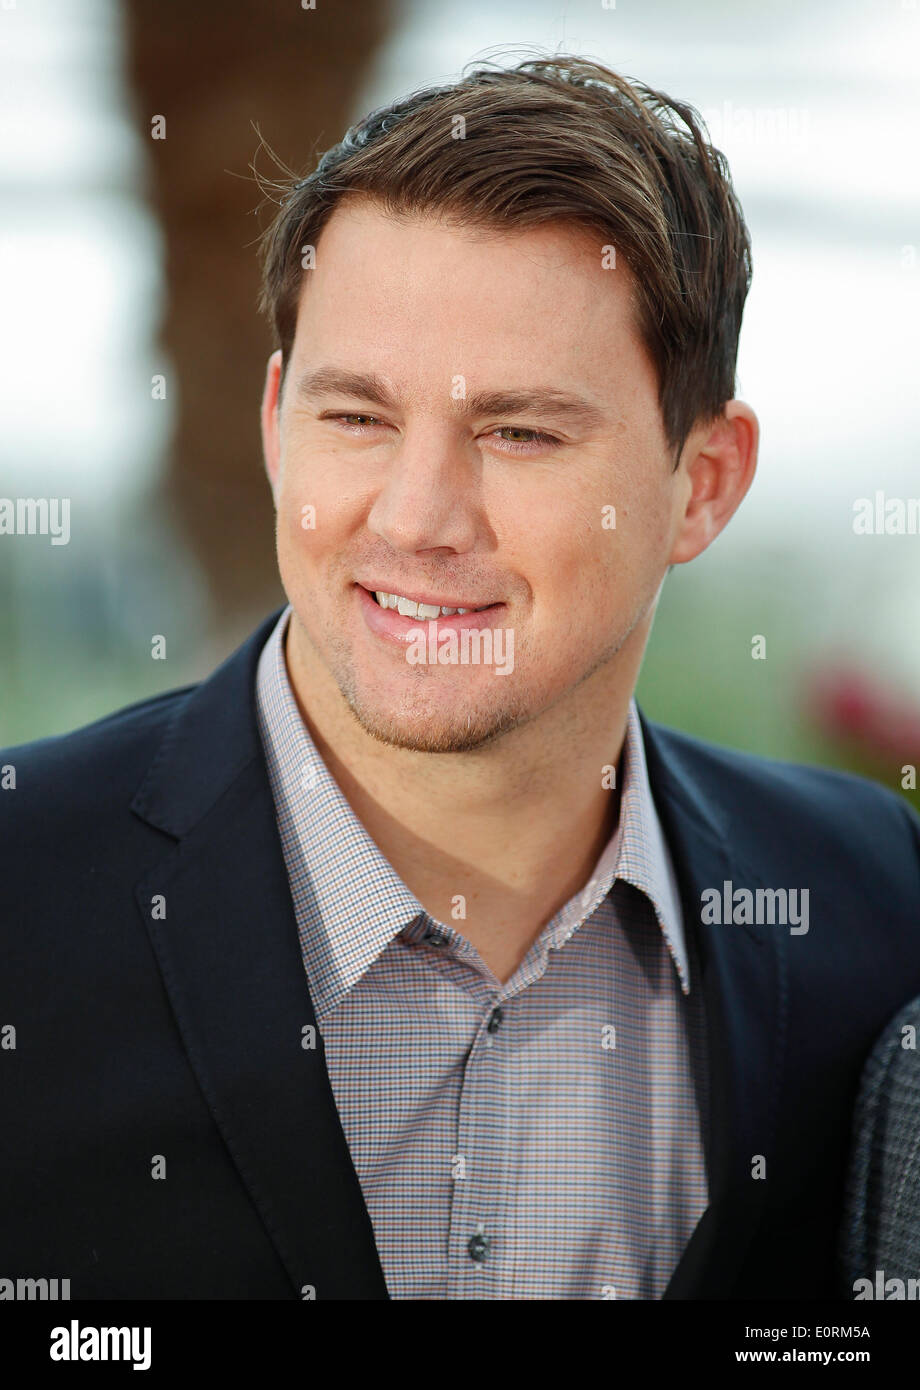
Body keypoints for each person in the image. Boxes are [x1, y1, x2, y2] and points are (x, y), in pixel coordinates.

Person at [2, 54, 919, 1301]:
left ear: (700, 483)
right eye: (355, 417)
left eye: (519, 431)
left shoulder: (867, 905)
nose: (418, 517)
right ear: (276, 426)